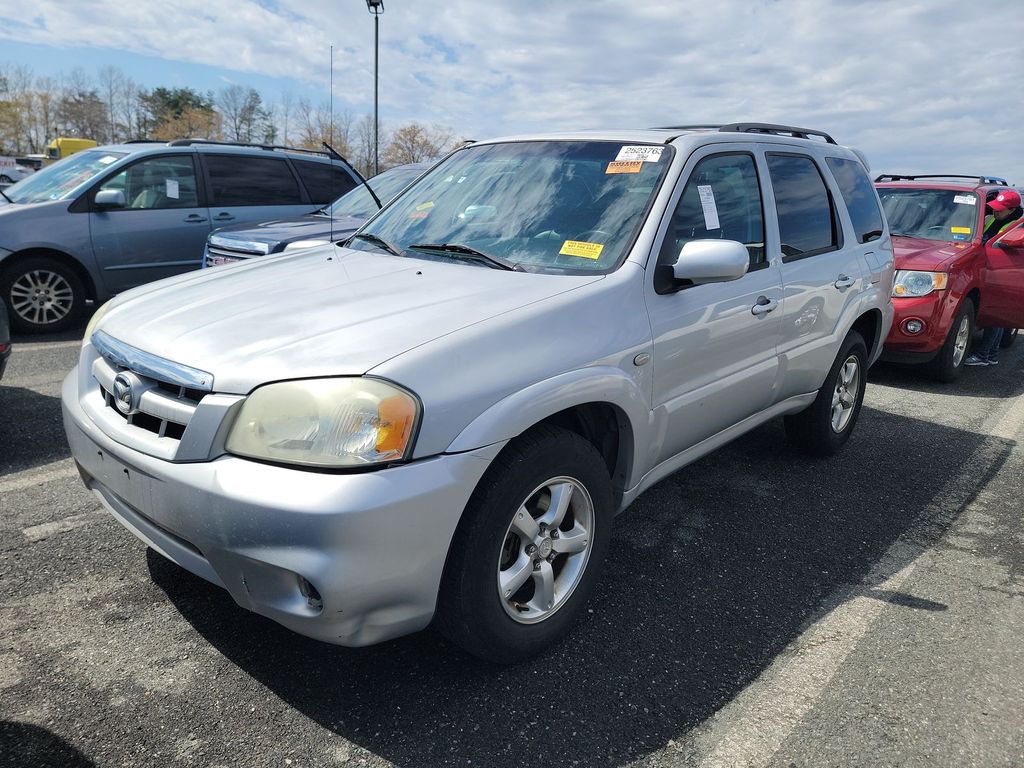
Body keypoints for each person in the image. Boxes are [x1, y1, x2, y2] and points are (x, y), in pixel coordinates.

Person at [966, 188, 1024, 366]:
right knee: (994, 316)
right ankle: (991, 354)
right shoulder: (992, 218)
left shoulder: (1015, 226)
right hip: (986, 269)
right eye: (995, 207)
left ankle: (984, 355)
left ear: (1012, 210)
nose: (996, 211)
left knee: (995, 315)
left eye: (1001, 209)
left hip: (1002, 273)